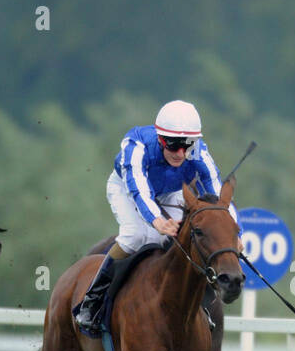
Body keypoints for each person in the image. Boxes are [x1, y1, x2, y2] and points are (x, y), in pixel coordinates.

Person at [74, 100, 238, 336]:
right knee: (138, 235)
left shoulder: (199, 153)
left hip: (169, 193)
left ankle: (199, 307)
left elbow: (218, 196)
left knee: (185, 239)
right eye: (173, 144)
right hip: (127, 189)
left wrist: (235, 232)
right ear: (161, 139)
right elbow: (139, 191)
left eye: (188, 145)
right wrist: (157, 221)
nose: (181, 153)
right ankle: (92, 301)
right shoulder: (137, 146)